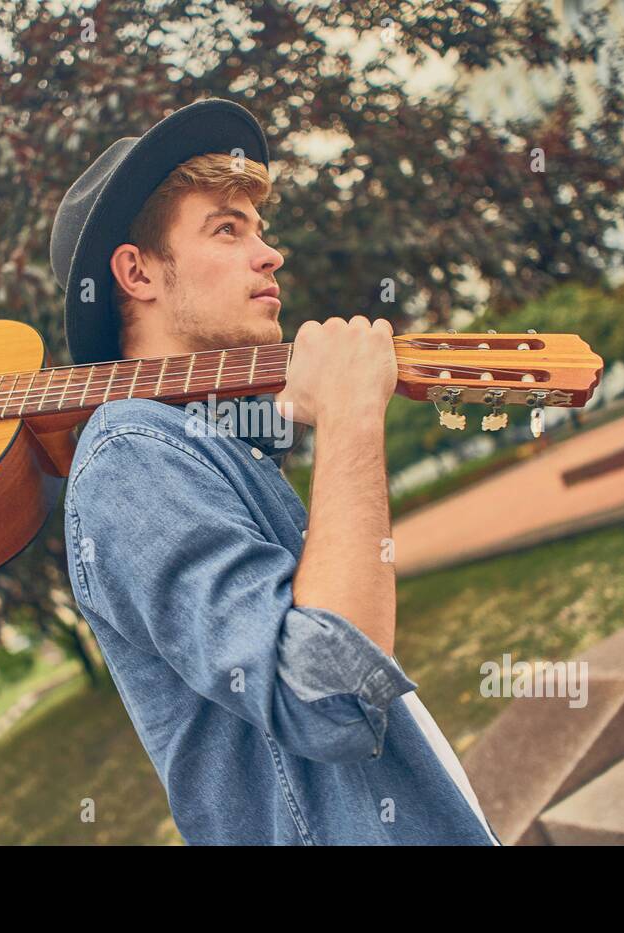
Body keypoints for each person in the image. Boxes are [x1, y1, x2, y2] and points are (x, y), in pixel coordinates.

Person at [49, 97, 501, 845]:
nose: (270, 254)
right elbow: (330, 697)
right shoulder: (130, 455)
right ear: (136, 272)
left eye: (260, 229)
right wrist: (354, 417)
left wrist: (293, 416)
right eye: (227, 228)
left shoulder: (200, 443)